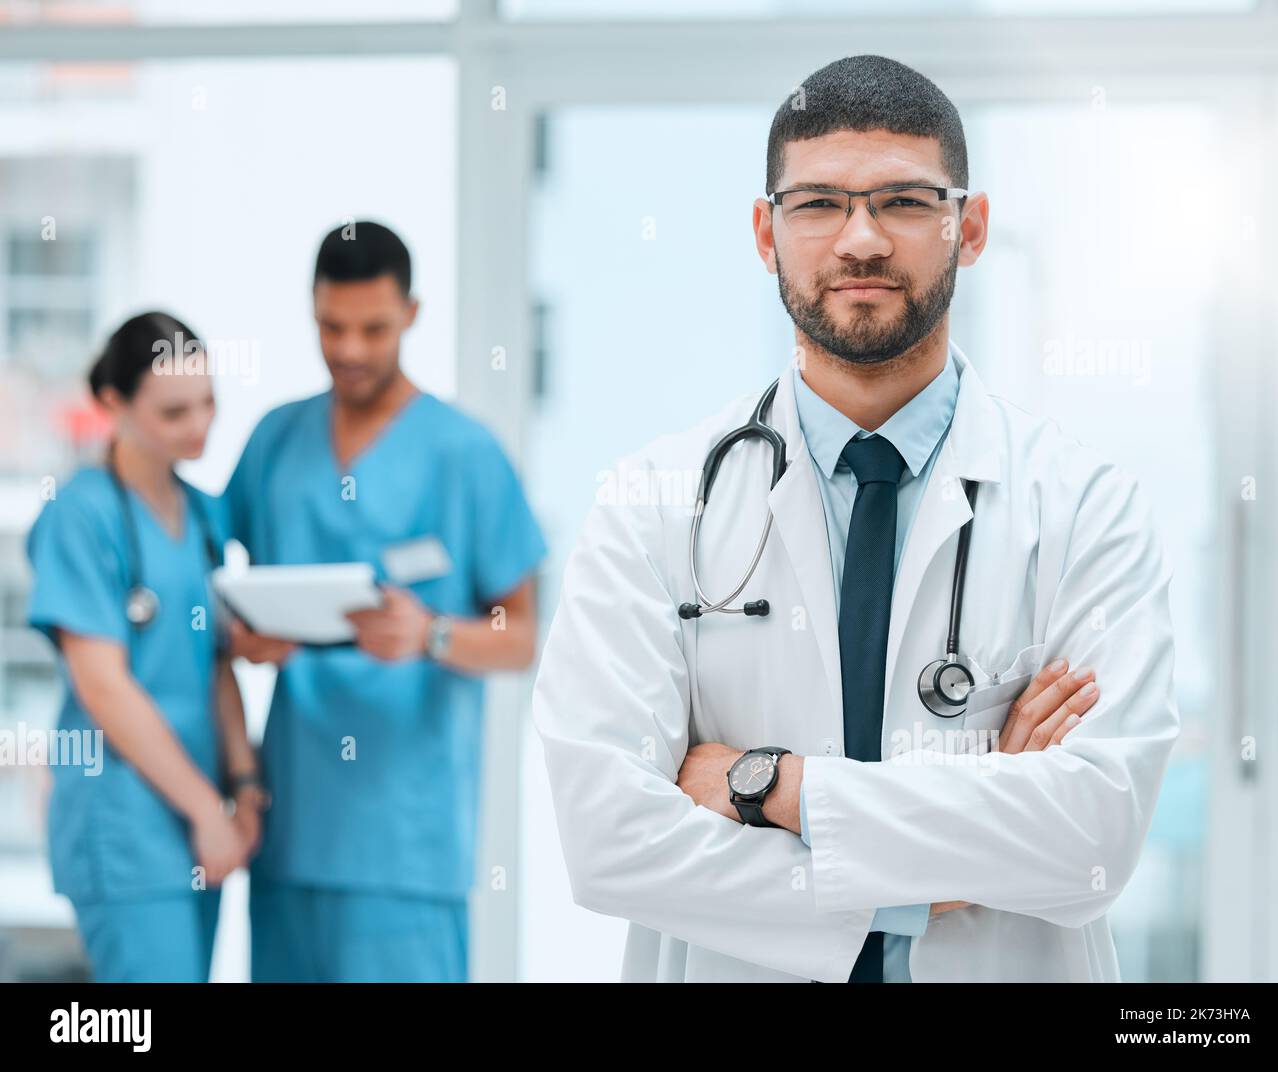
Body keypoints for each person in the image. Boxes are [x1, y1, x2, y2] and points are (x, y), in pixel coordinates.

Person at [532, 55, 1178, 983]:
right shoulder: (655, 505)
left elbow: (1089, 840)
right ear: (766, 232)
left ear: (973, 225)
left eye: (907, 202)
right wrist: (936, 865)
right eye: (819, 204)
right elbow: (609, 841)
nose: (862, 241)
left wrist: (770, 786)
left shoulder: (1084, 509)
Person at [224, 220, 547, 983]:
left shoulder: (463, 453)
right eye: (331, 327)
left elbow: (521, 635)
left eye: (373, 327)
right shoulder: (277, 438)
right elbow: (207, 577)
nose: (351, 350)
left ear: (412, 313)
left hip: (406, 838)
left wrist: (433, 634)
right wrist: (247, 635)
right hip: (293, 820)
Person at [26, 311, 263, 983]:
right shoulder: (82, 515)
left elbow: (215, 664)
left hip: (198, 819)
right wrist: (205, 812)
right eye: (174, 411)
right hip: (124, 821)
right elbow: (104, 688)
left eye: (209, 403)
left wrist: (242, 787)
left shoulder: (203, 514)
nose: (200, 426)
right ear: (113, 405)